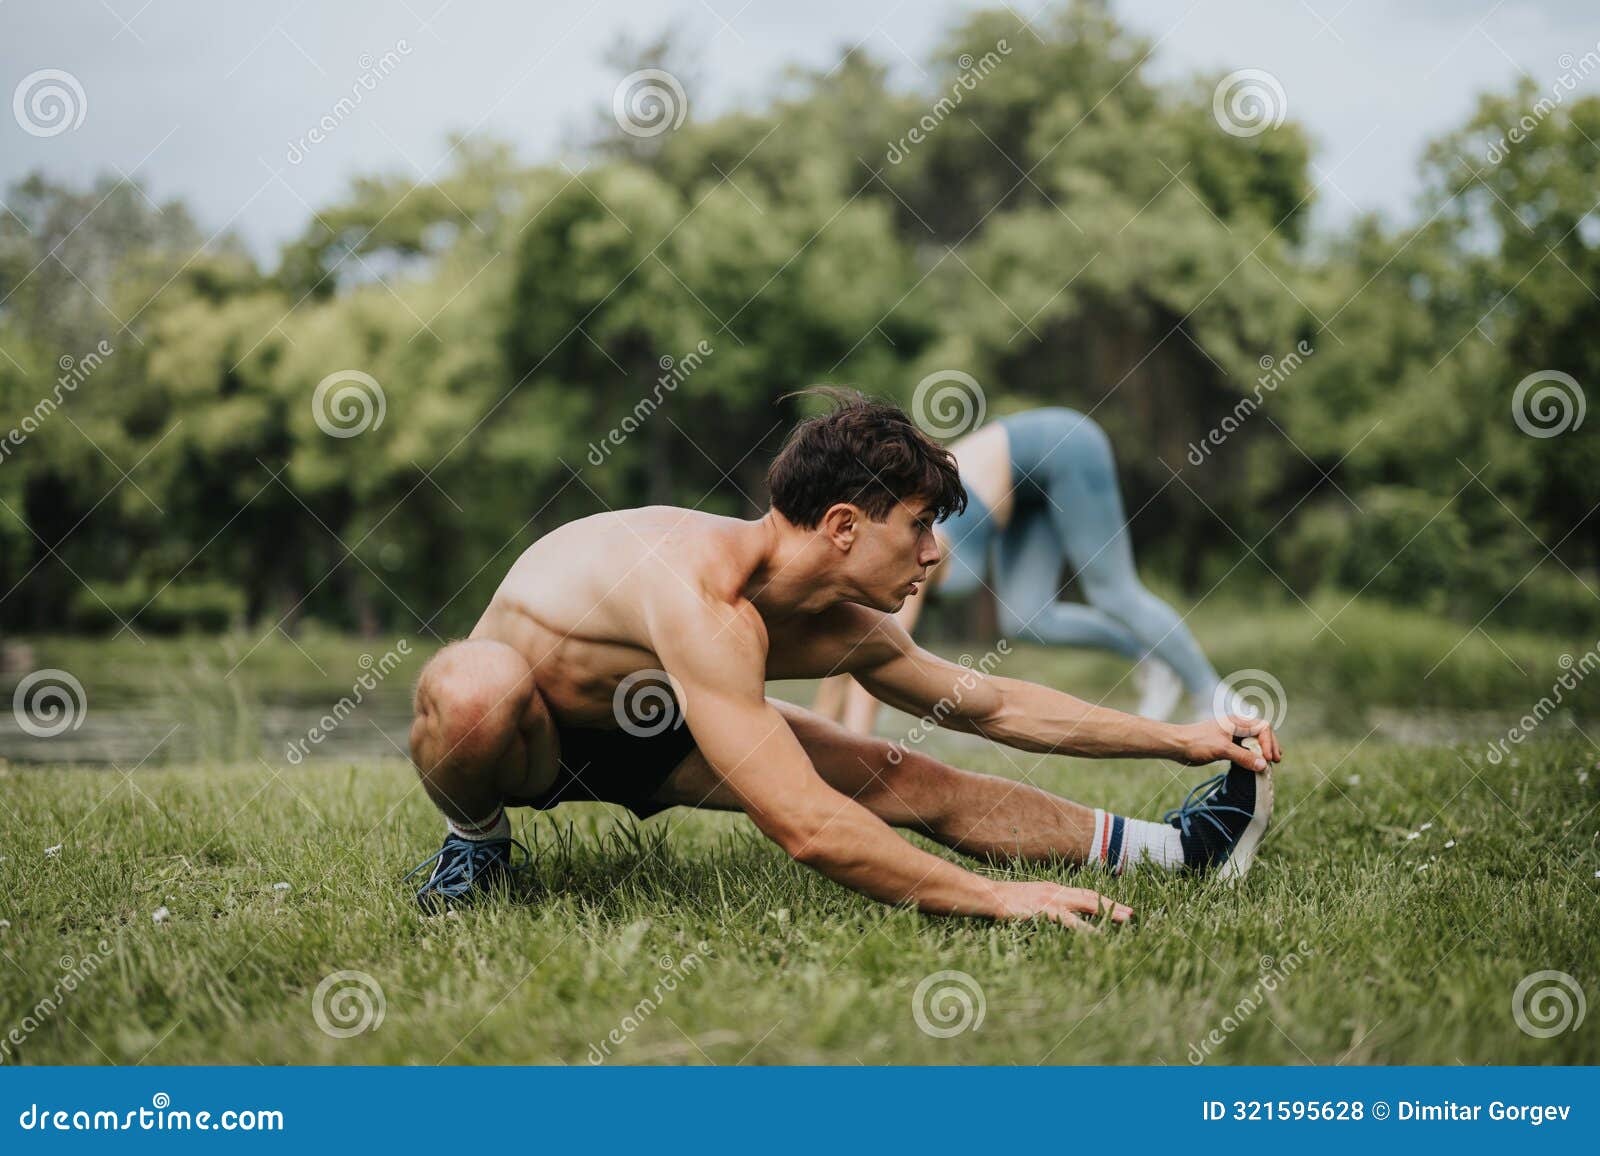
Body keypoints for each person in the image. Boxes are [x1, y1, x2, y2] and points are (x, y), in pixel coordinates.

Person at [404, 392, 1280, 925]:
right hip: (525, 733)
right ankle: (475, 844)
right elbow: (806, 827)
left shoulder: (839, 624)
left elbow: (993, 707)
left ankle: (1179, 851)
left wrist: (1179, 738)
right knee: (472, 686)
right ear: (843, 527)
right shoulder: (697, 593)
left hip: (660, 717)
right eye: (921, 527)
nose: (935, 554)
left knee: (914, 777)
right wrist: (990, 897)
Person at [814, 407, 1223, 733]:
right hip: (1026, 493)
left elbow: (884, 653)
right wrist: (820, 732)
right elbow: (846, 660)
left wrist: (856, 749)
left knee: (1112, 593)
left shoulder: (916, 546)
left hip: (1062, 444)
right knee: (1027, 619)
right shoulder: (872, 577)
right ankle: (1150, 655)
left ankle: (1217, 699)